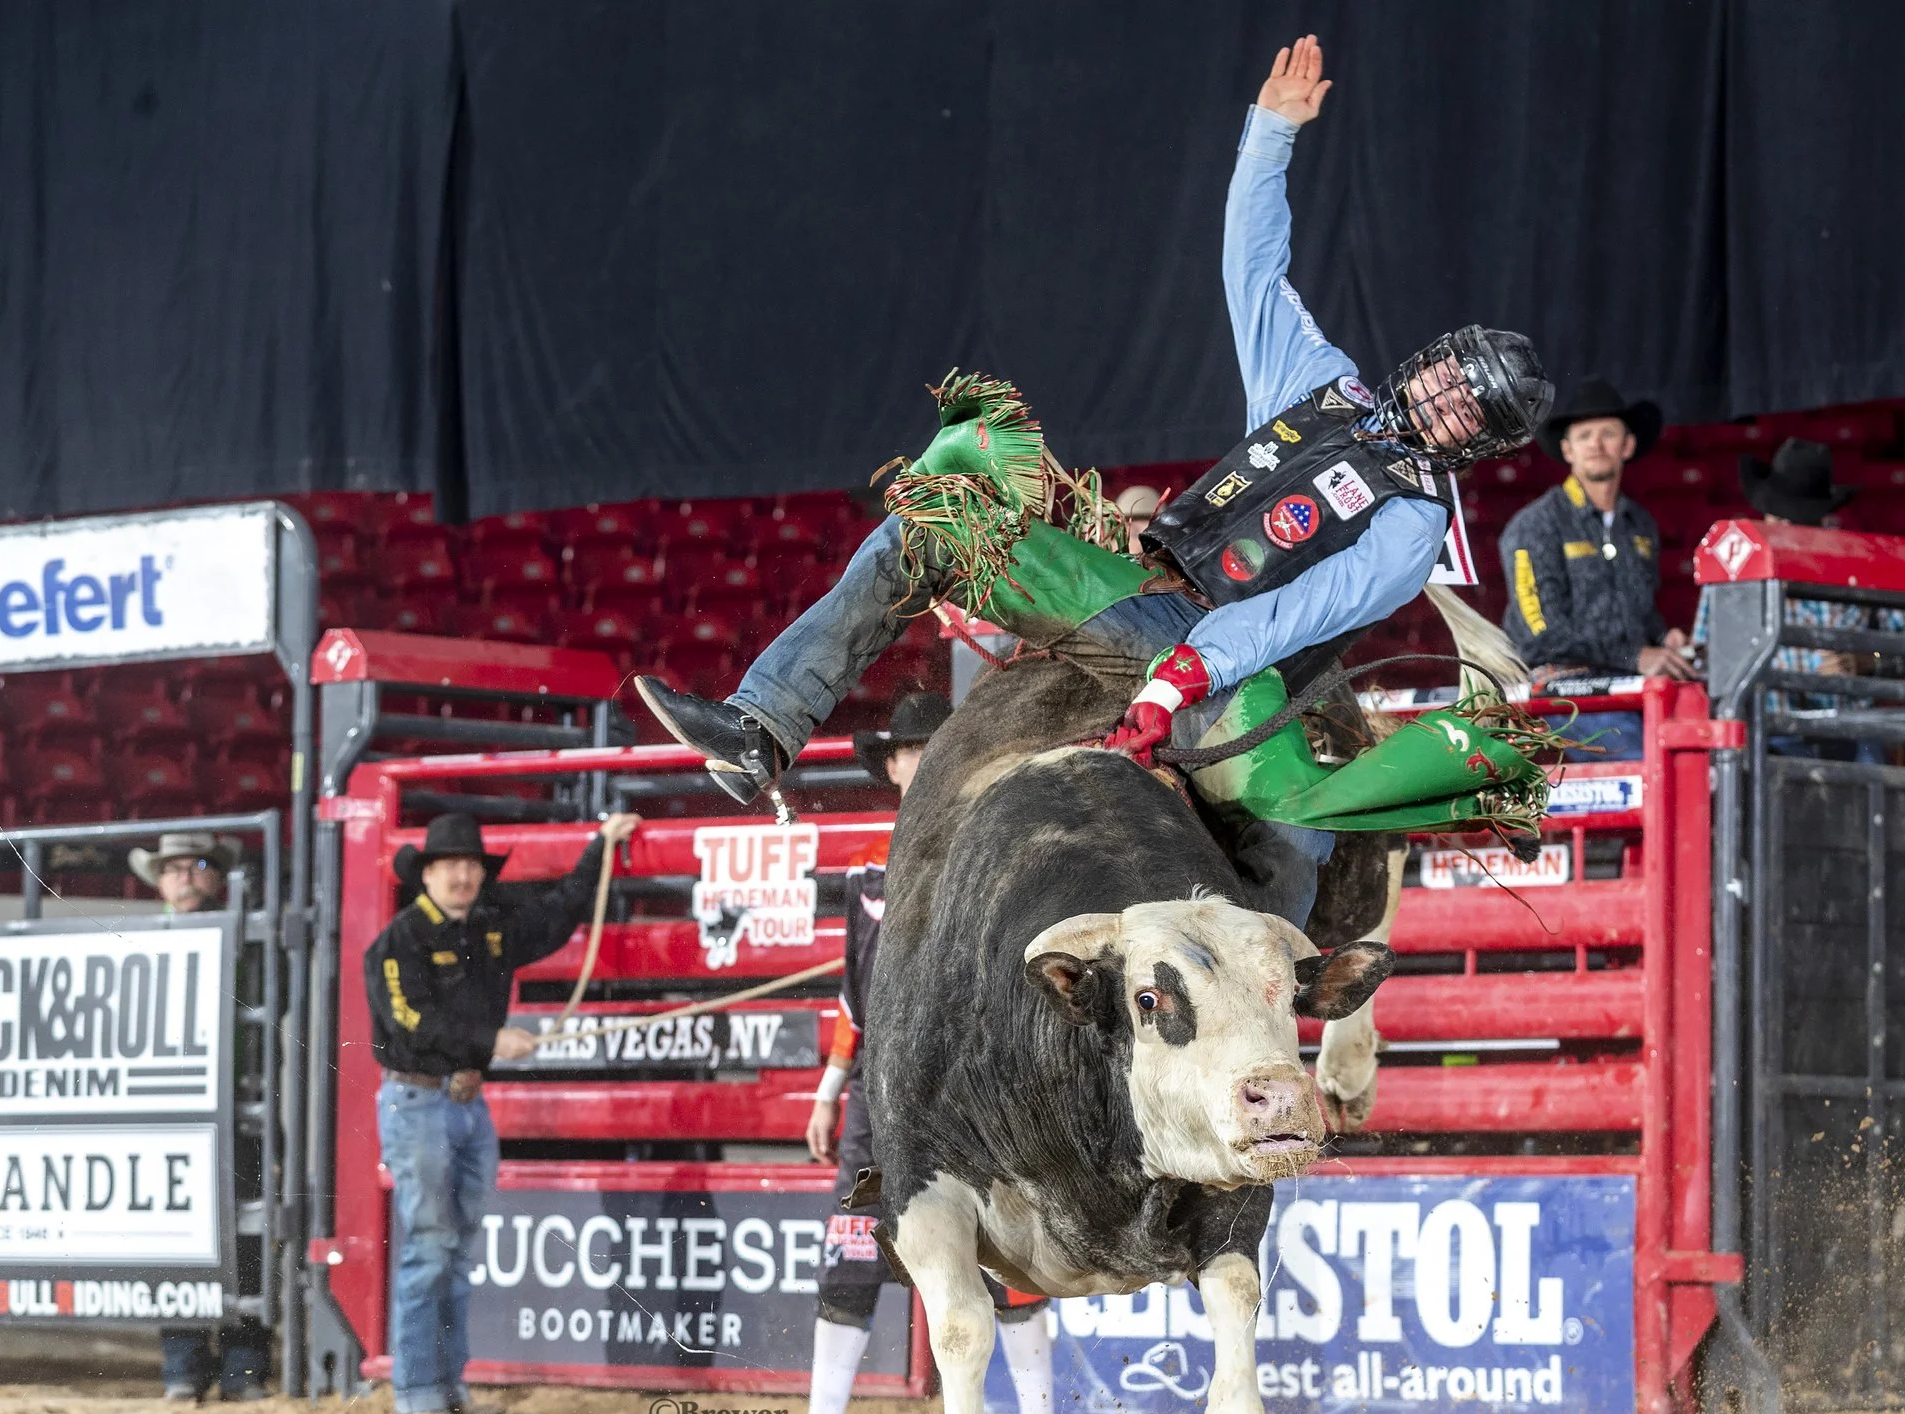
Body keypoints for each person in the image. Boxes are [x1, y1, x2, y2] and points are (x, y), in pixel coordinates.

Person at [627, 34, 1549, 931]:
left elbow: (1295, 617)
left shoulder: (1413, 525)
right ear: (1431, 359)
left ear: (1479, 442)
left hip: (1236, 669)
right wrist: (1270, 135)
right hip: (1138, 587)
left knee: (1287, 848)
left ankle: (1276, 986)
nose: (1446, 399)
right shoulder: (1323, 382)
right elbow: (1253, 272)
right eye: (1451, 375)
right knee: (939, 522)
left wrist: (1181, 677)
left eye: (1473, 407)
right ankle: (763, 728)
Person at [745, 693, 1064, 1414]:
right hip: (881, 1095)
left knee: (1003, 1251)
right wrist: (828, 1086)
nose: (919, 763)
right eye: (908, 750)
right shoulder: (869, 875)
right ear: (891, 766)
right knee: (852, 1248)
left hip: (973, 1094)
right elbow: (856, 997)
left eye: (933, 748)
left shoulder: (994, 861)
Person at [362, 808, 643, 1414]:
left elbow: (559, 914)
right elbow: (410, 1021)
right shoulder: (399, 942)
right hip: (422, 1100)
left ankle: (443, 1389)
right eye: (450, 866)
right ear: (427, 875)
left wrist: (599, 848)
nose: (462, 876)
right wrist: (491, 1037)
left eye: (469, 866)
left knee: (452, 1252)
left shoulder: (487, 928)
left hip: (458, 1102)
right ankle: (419, 1394)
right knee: (436, 1248)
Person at [133, 832, 275, 1404]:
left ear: (217, 878)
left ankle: (240, 1368)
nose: (185, 877)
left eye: (196, 866)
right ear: (159, 881)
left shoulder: (249, 943)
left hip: (237, 1108)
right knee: (177, 1239)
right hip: (172, 1111)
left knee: (244, 1237)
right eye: (173, 868)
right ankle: (185, 1365)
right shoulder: (144, 941)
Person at [1690, 438, 1905, 763]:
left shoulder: (1854, 560)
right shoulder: (1733, 568)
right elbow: (1704, 655)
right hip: (1769, 730)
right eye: (1776, 518)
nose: (1782, 530)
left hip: (1848, 728)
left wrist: (1868, 659)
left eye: (1793, 520)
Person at [1499, 376, 1692, 760]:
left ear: (1628, 445)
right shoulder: (1535, 525)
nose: (1597, 444)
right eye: (1585, 435)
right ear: (1568, 449)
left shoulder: (1640, 525)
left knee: (1705, 749)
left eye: (1608, 433)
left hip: (1629, 686)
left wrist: (1662, 639)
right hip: (1561, 688)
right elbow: (1540, 635)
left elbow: (1641, 612)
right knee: (1648, 759)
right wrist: (1634, 657)